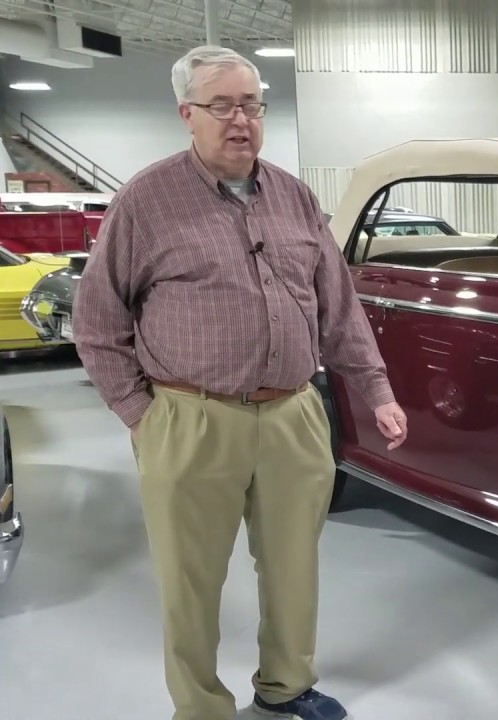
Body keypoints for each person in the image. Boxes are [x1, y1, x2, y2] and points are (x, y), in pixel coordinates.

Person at [72, 45, 408, 720]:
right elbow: (98, 320)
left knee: (293, 569)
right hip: (191, 417)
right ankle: (200, 709)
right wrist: (143, 414)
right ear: (186, 115)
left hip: (292, 414)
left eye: (252, 104)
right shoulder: (147, 201)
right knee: (190, 580)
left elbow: (337, 305)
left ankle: (285, 686)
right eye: (221, 106)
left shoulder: (293, 195)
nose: (240, 120)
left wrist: (377, 390)